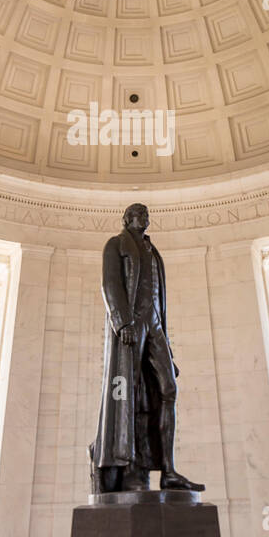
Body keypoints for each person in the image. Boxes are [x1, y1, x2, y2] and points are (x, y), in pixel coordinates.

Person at [89, 202, 204, 494]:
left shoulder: (155, 255)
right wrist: (122, 323)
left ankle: (168, 471)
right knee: (126, 392)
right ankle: (129, 469)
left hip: (154, 327)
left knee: (168, 389)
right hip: (131, 324)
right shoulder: (116, 245)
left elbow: (160, 302)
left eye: (147, 215)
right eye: (138, 215)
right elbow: (110, 283)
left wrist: (168, 350)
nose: (144, 219)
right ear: (126, 219)